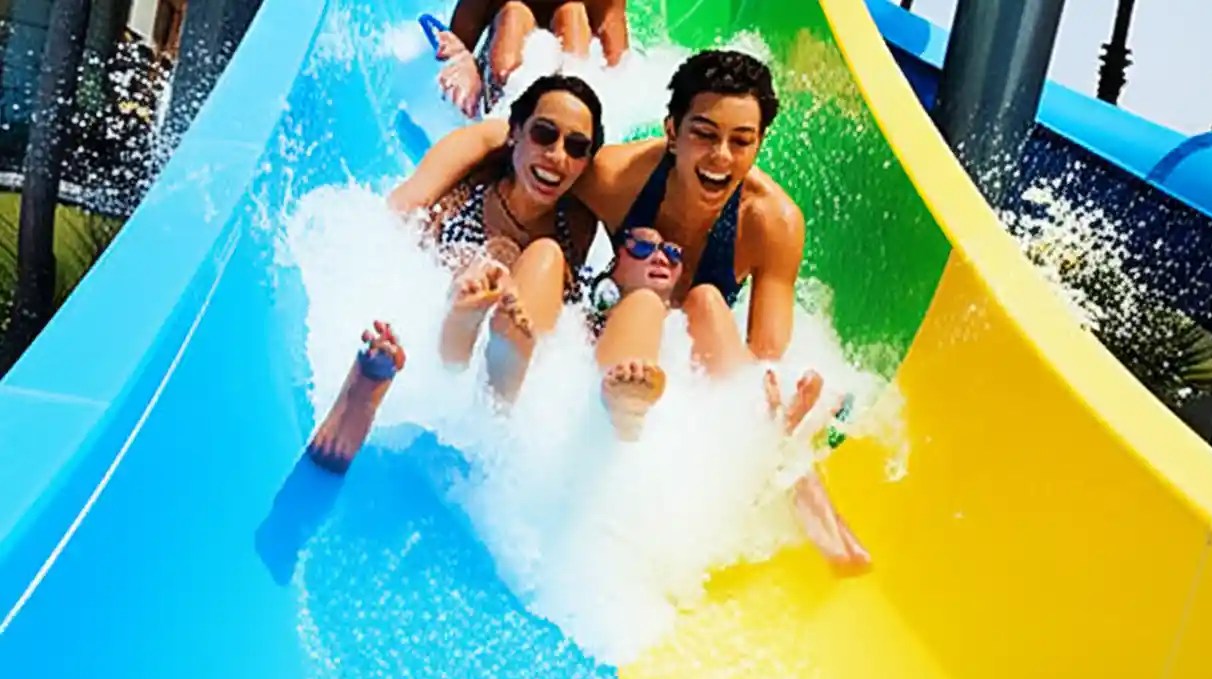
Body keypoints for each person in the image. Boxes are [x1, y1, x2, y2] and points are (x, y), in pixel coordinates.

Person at [412, 50, 806, 440]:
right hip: (611, 332)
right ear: (672, 131)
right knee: (570, 269)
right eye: (704, 134)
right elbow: (535, 151)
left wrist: (771, 411)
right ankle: (508, 380)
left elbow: (767, 357)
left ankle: (668, 419)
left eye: (741, 141)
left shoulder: (773, 223)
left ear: (759, 143)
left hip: (682, 362)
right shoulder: (614, 178)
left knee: (706, 301)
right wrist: (435, 204)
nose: (721, 156)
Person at [307, 74, 606, 473]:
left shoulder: (581, 220)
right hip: (442, 299)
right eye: (544, 134)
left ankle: (495, 352)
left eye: (576, 146)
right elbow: (394, 219)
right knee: (472, 277)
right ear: (514, 132)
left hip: (519, 338)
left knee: (544, 260)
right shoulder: (476, 168)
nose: (557, 155)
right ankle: (382, 375)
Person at [590, 226, 871, 574]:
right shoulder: (601, 320)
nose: (660, 256)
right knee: (768, 423)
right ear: (613, 263)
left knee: (708, 302)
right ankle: (778, 430)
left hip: (702, 457)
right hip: (637, 459)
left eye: (672, 252)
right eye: (643, 247)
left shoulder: (686, 326)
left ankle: (773, 423)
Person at [435, 0, 630, 117]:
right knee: (514, 16)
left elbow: (618, 65)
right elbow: (455, 44)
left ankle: (566, 117)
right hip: (505, 50)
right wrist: (465, 65)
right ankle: (500, 111)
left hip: (571, 40)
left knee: (572, 16)